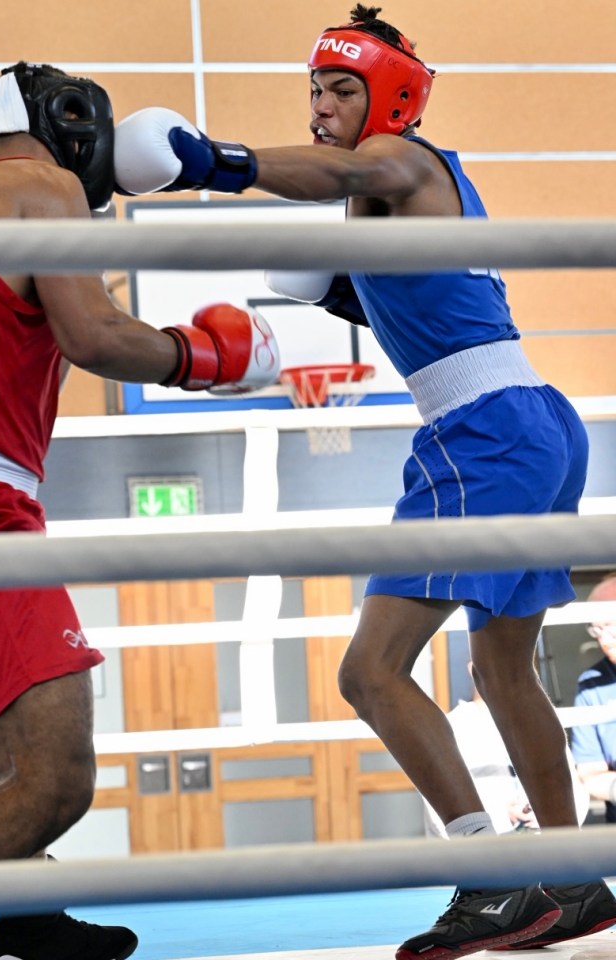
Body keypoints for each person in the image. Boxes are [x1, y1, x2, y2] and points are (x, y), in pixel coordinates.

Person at [112, 5, 616, 957]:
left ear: (387, 99)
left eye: (341, 88)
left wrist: (210, 162)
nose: (320, 106)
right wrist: (340, 286)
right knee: (504, 669)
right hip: (534, 420)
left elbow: (349, 171)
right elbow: (419, 293)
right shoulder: (397, 201)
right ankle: (572, 880)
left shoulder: (403, 162)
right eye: (314, 89)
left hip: (484, 433)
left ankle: (492, 883)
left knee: (368, 670)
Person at [0, 61, 279, 960]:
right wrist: (208, 357)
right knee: (55, 777)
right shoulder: (39, 184)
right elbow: (97, 335)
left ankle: (28, 911)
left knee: (12, 736)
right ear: (70, 121)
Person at [423, 663, 589, 837]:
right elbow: (440, 815)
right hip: (479, 857)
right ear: (474, 668)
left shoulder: (541, 723)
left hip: (544, 853)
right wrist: (502, 816)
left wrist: (552, 814)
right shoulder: (451, 729)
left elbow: (575, 791)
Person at [571, 574, 616, 822]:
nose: (602, 636)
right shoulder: (592, 684)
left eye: (609, 624)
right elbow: (590, 773)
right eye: (596, 628)